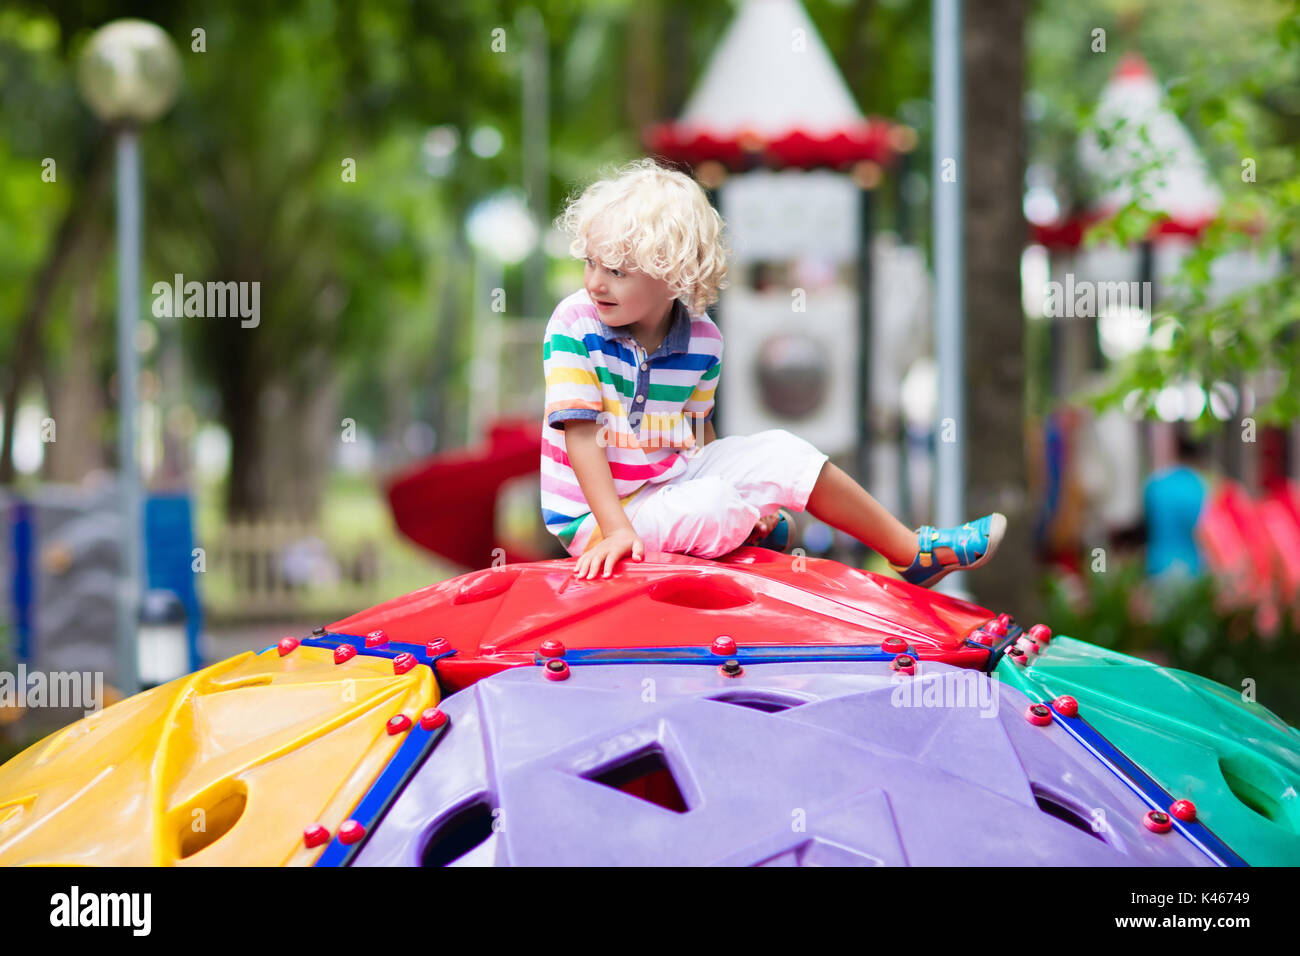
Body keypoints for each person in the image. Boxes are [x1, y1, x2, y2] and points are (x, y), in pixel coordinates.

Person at [540, 159, 1006, 584]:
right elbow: (581, 435)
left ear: (673, 275)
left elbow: (699, 432)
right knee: (714, 505)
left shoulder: (702, 339)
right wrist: (616, 531)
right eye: (591, 262)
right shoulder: (576, 323)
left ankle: (910, 550)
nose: (596, 281)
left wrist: (726, 476)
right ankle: (749, 526)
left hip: (666, 487)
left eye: (618, 271)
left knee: (784, 452)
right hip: (597, 518)